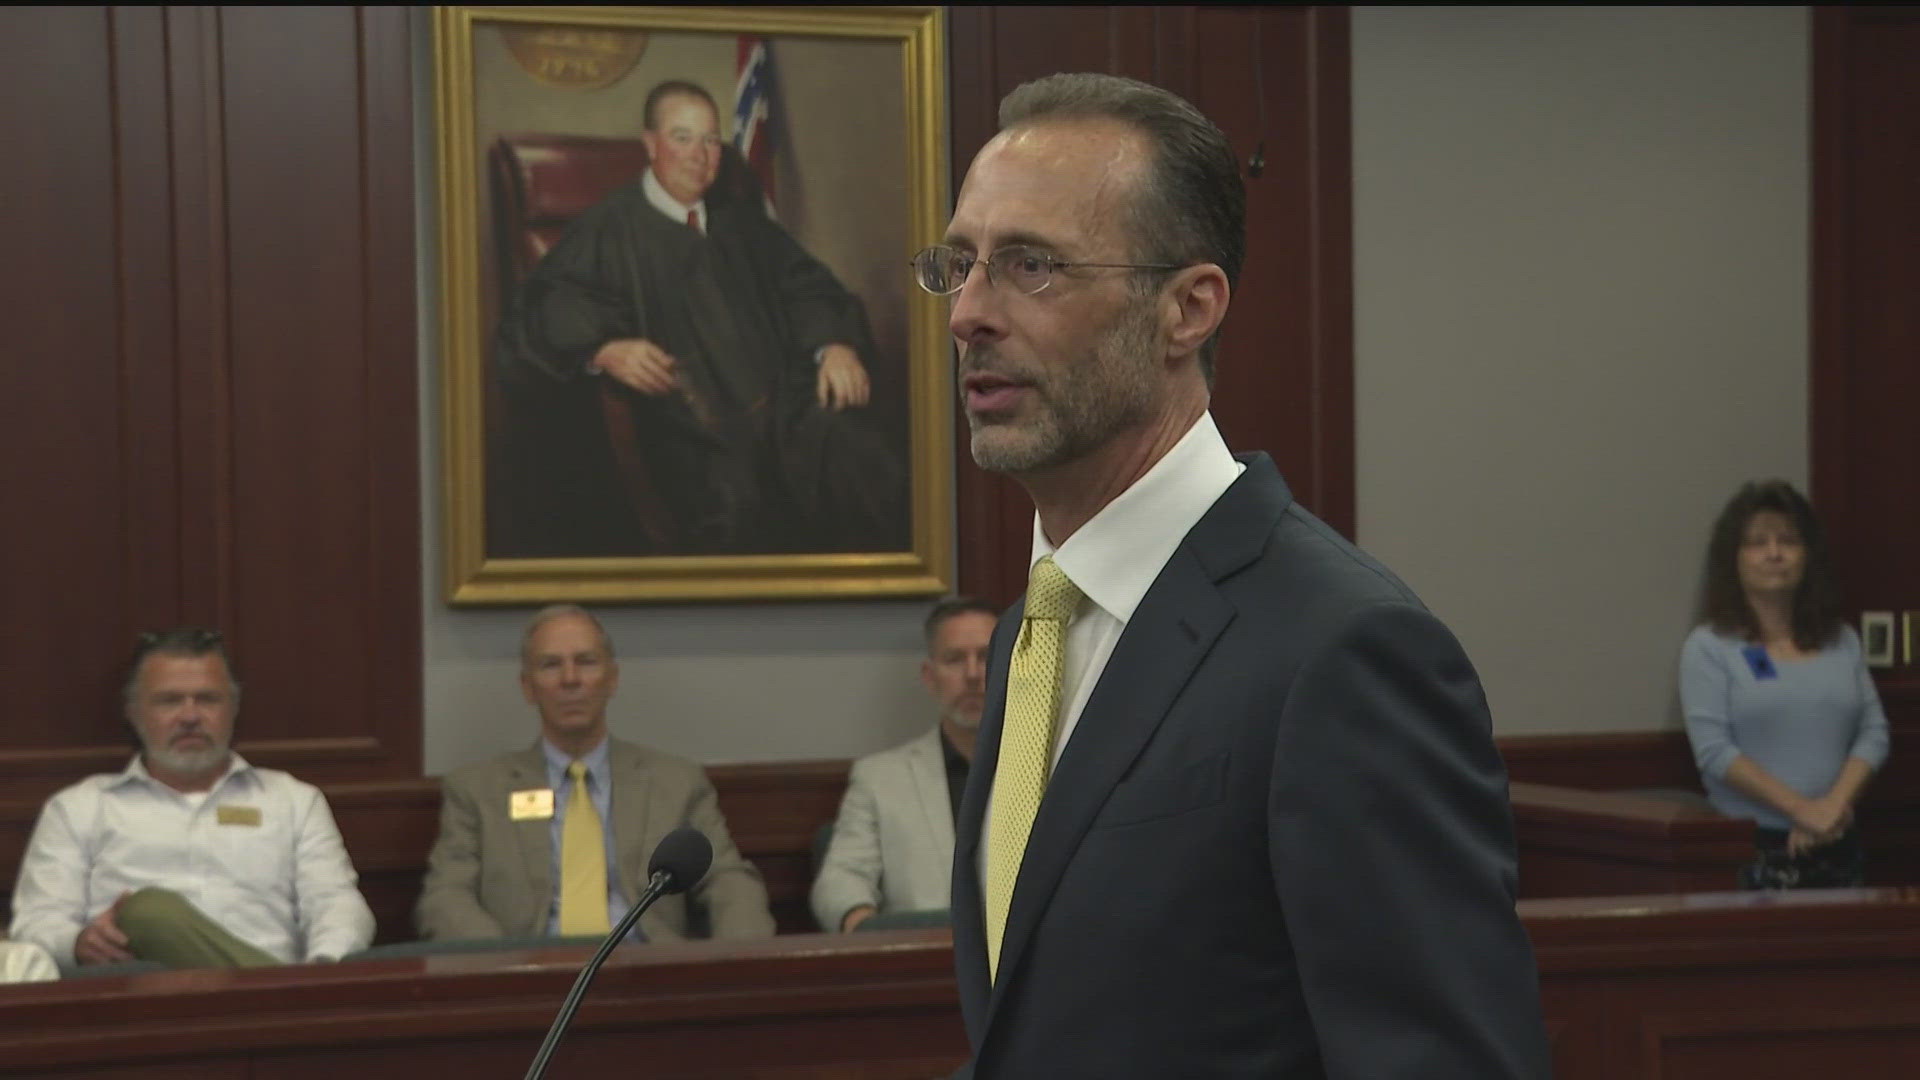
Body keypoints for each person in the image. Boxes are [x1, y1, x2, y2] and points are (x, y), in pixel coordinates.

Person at [924, 73, 1550, 1076]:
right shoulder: (1029, 634)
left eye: (1030, 265)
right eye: (959, 266)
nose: (968, 315)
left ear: (1189, 308)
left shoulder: (1343, 650)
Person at [494, 78, 906, 559]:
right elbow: (542, 315)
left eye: (711, 140)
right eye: (682, 137)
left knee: (872, 464)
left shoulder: (742, 223)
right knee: (737, 508)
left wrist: (834, 344)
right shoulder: (606, 230)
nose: (700, 155)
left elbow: (808, 288)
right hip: (688, 431)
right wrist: (603, 350)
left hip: (788, 416)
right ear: (651, 145)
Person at [9, 628, 375, 969]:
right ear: (134, 713)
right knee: (148, 913)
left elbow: (336, 903)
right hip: (134, 1003)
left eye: (207, 700)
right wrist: (76, 942)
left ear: (233, 709)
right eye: (168, 701)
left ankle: (285, 1000)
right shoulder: (79, 808)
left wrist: (326, 968)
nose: (189, 716)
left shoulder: (293, 801)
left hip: (275, 993)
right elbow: (36, 922)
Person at [416, 605, 774, 942]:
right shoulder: (477, 791)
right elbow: (445, 898)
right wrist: (505, 967)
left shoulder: (676, 783)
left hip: (648, 972)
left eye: (586, 662)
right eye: (551, 665)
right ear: (528, 686)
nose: (570, 679)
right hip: (531, 977)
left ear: (612, 678)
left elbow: (729, 882)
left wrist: (739, 965)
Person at [1680, 479, 1888, 889]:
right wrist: (1801, 811)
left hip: (1837, 839)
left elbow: (1874, 733)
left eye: (1788, 540)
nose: (1774, 553)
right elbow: (1715, 752)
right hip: (1750, 851)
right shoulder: (1709, 647)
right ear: (1734, 559)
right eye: (1757, 542)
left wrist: (1830, 808)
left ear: (1808, 555)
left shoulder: (1841, 640)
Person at [811, 596, 996, 932]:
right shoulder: (880, 779)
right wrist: (868, 934)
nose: (972, 674)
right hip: (923, 962)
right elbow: (841, 877)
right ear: (929, 676)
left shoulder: (1049, 769)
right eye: (955, 659)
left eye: (986, 658)